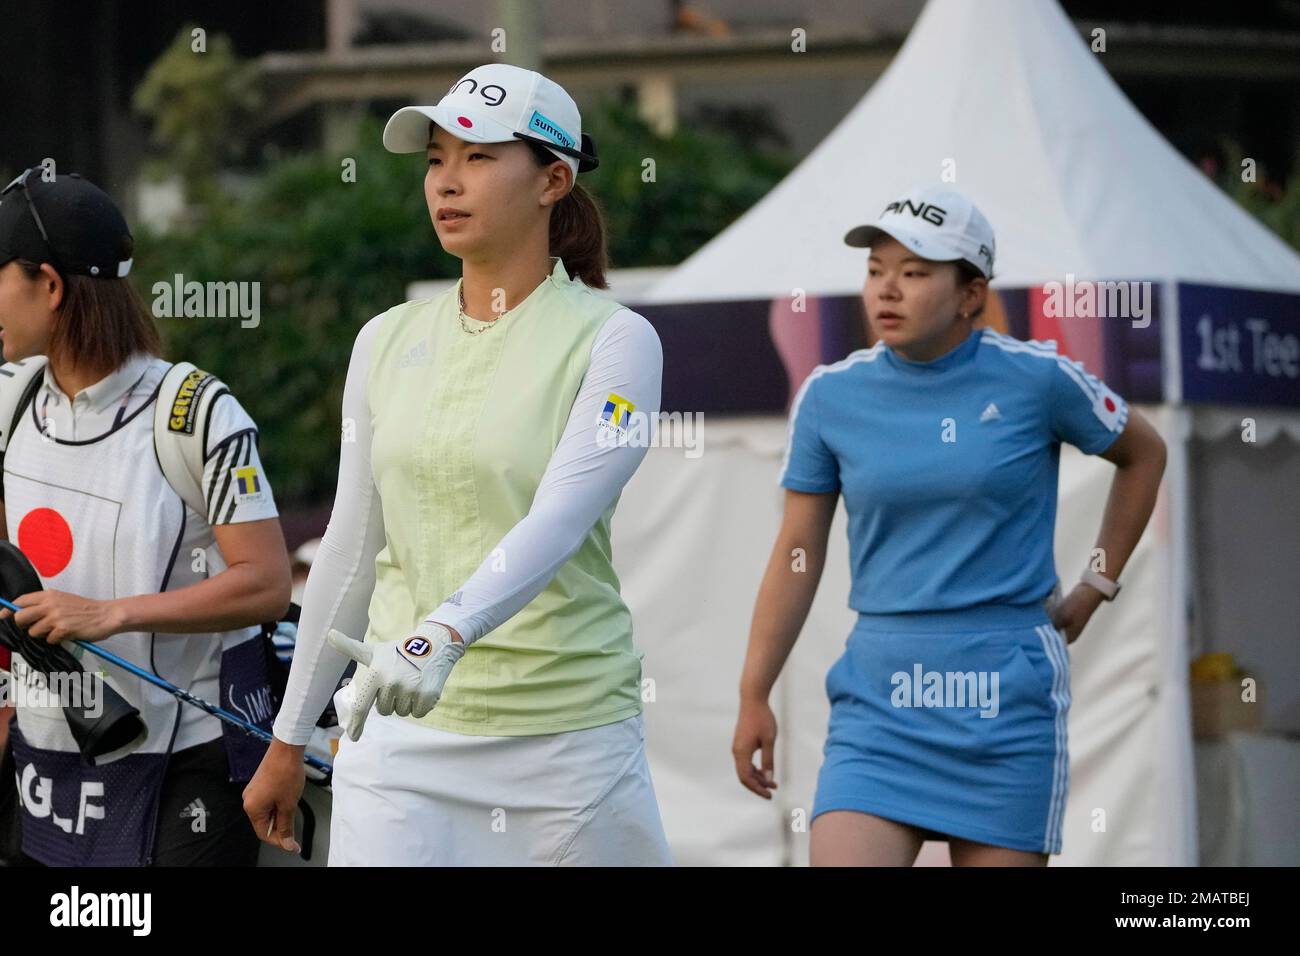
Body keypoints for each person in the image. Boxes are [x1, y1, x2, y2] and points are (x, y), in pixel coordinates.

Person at [243, 63, 673, 866]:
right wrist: (289, 736)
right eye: (436, 159)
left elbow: (560, 517)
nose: (447, 181)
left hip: (566, 739)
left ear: (554, 179)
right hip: (396, 735)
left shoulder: (616, 340)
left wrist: (441, 632)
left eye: (478, 157)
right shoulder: (385, 338)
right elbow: (350, 544)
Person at [732, 185, 1167, 866]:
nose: (887, 290)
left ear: (970, 293)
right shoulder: (830, 395)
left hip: (1006, 696)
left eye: (915, 272)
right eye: (877, 271)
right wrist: (754, 692)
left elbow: (1145, 453)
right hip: (879, 703)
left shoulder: (1038, 378)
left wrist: (1096, 584)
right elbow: (796, 553)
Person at [0, 169, 292, 865]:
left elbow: (267, 584)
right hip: (47, 764)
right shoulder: (11, 397)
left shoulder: (195, 412)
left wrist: (110, 614)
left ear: (50, 285)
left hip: (183, 759)